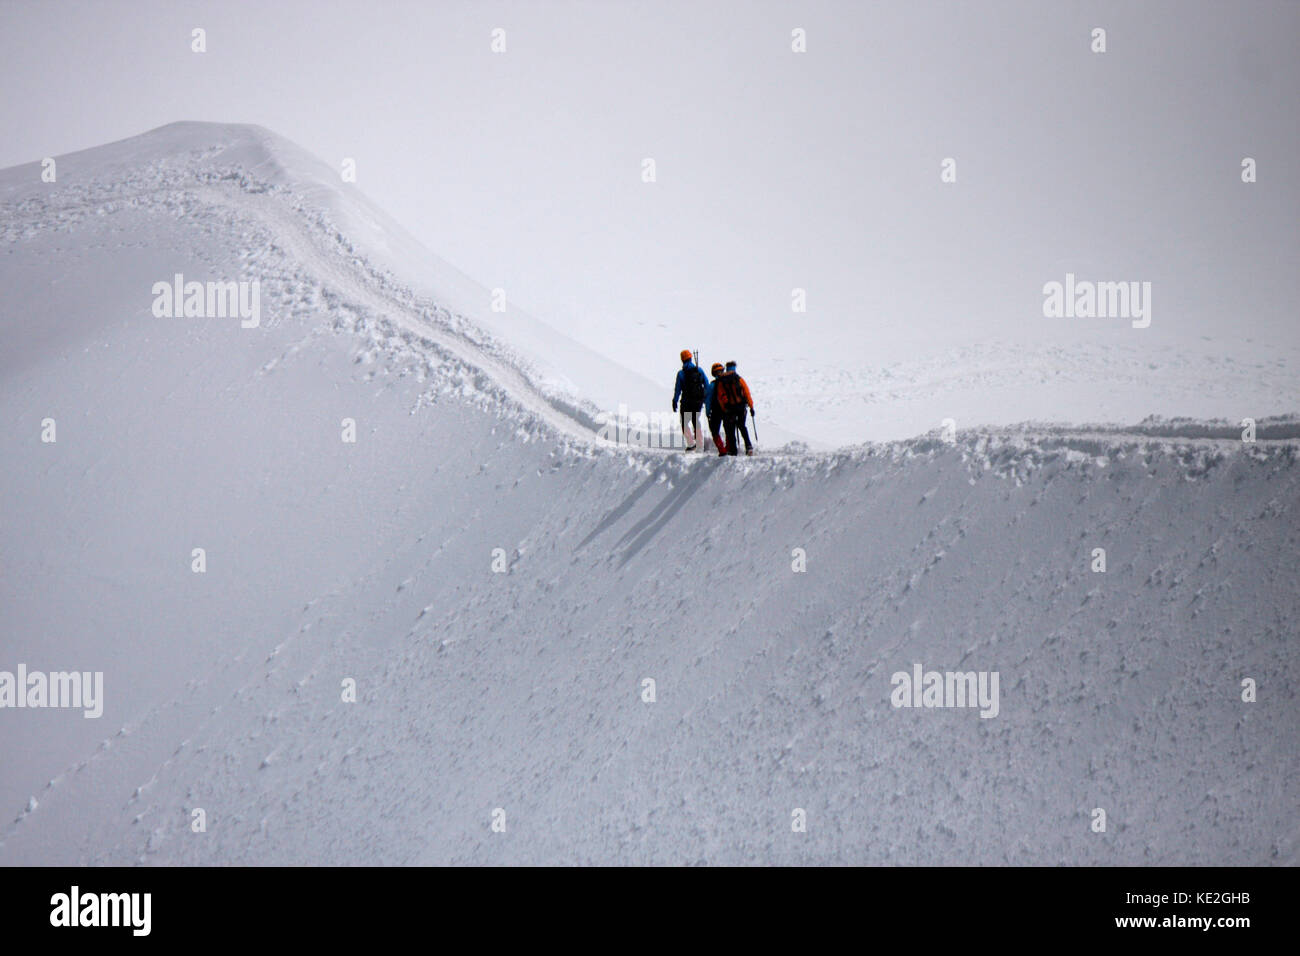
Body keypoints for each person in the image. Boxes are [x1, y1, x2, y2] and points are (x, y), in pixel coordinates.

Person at [714, 360, 754, 456]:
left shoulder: (722, 381)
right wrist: (751, 406)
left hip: (730, 409)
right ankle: (748, 446)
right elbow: (747, 392)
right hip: (741, 407)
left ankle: (733, 450)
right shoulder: (738, 379)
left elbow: (721, 396)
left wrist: (725, 409)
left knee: (730, 429)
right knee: (742, 426)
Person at [671, 349, 708, 451]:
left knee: (684, 421)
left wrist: (674, 401)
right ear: (691, 358)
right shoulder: (699, 370)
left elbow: (678, 389)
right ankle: (700, 444)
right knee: (696, 420)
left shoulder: (681, 374)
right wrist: (703, 398)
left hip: (687, 402)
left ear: (682, 360)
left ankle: (691, 444)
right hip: (698, 401)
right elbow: (707, 384)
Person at [704, 362, 726, 454]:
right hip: (727, 410)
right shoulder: (728, 382)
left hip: (716, 411)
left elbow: (708, 400)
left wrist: (708, 412)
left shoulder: (712, 385)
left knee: (714, 431)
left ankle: (722, 450)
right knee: (729, 429)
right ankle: (730, 447)